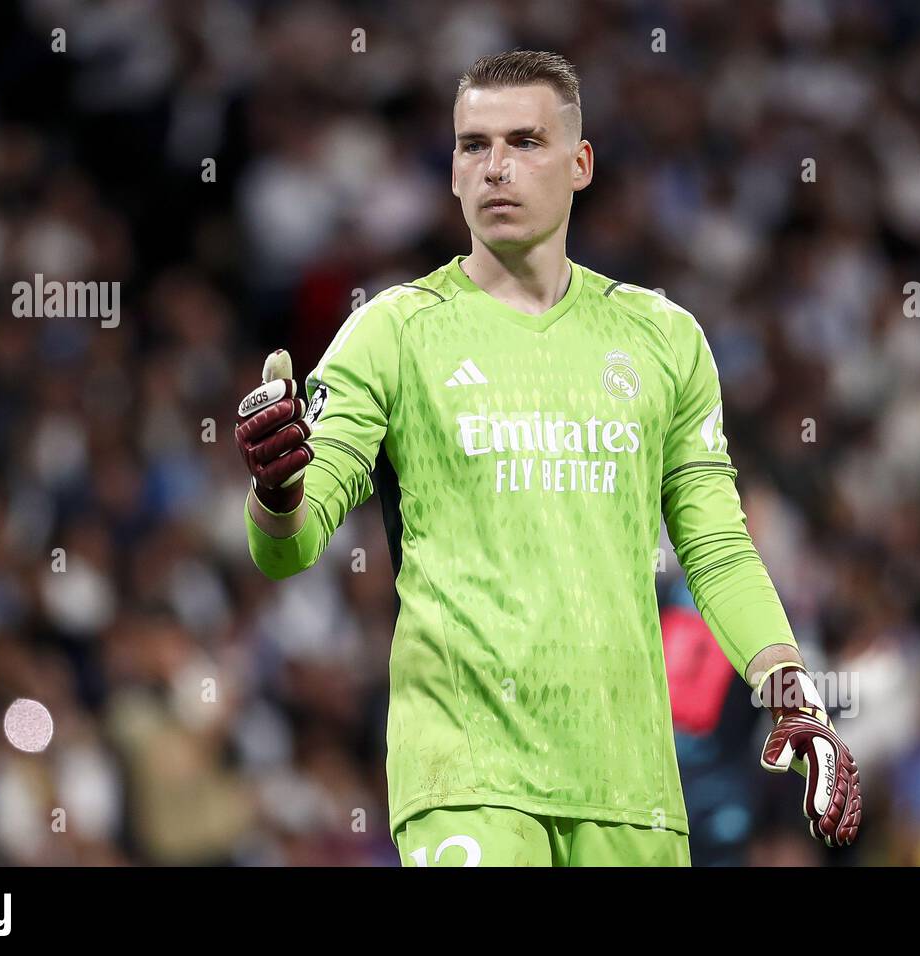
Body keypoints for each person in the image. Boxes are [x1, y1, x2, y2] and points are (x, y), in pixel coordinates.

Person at [234, 50, 860, 866]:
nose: (495, 167)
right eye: (472, 145)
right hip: (466, 772)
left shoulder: (663, 338)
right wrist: (278, 491)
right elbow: (287, 548)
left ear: (580, 163)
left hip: (630, 787)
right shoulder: (393, 331)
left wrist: (792, 692)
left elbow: (716, 548)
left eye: (525, 141)